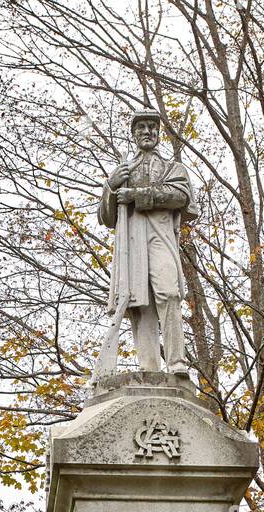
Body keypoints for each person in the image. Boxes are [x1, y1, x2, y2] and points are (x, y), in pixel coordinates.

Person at [98, 109, 196, 375]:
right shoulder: (123, 172)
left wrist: (136, 195)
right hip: (133, 242)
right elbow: (106, 217)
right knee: (140, 304)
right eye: (140, 128)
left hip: (160, 237)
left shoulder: (172, 168)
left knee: (169, 293)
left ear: (158, 134)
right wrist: (111, 186)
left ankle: (177, 362)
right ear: (133, 134)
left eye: (152, 127)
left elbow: (180, 196)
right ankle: (149, 367)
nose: (146, 132)